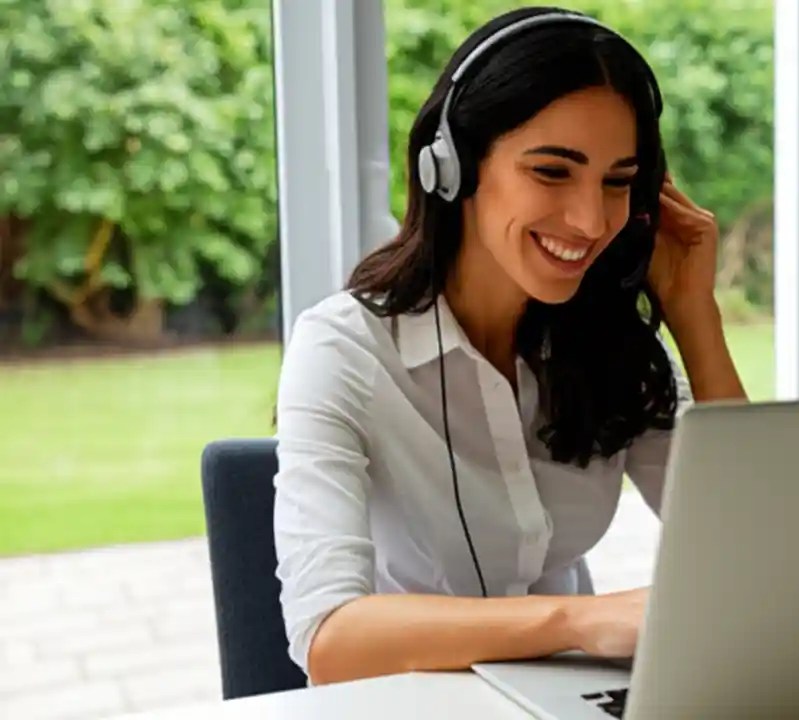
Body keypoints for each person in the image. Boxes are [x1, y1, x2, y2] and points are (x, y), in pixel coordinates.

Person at [272, 5, 747, 686]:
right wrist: (579, 621)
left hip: (570, 696)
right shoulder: (344, 351)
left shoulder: (609, 346)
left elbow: (754, 558)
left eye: (617, 181)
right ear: (453, 167)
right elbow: (329, 639)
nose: (590, 220)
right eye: (553, 172)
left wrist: (694, 316)